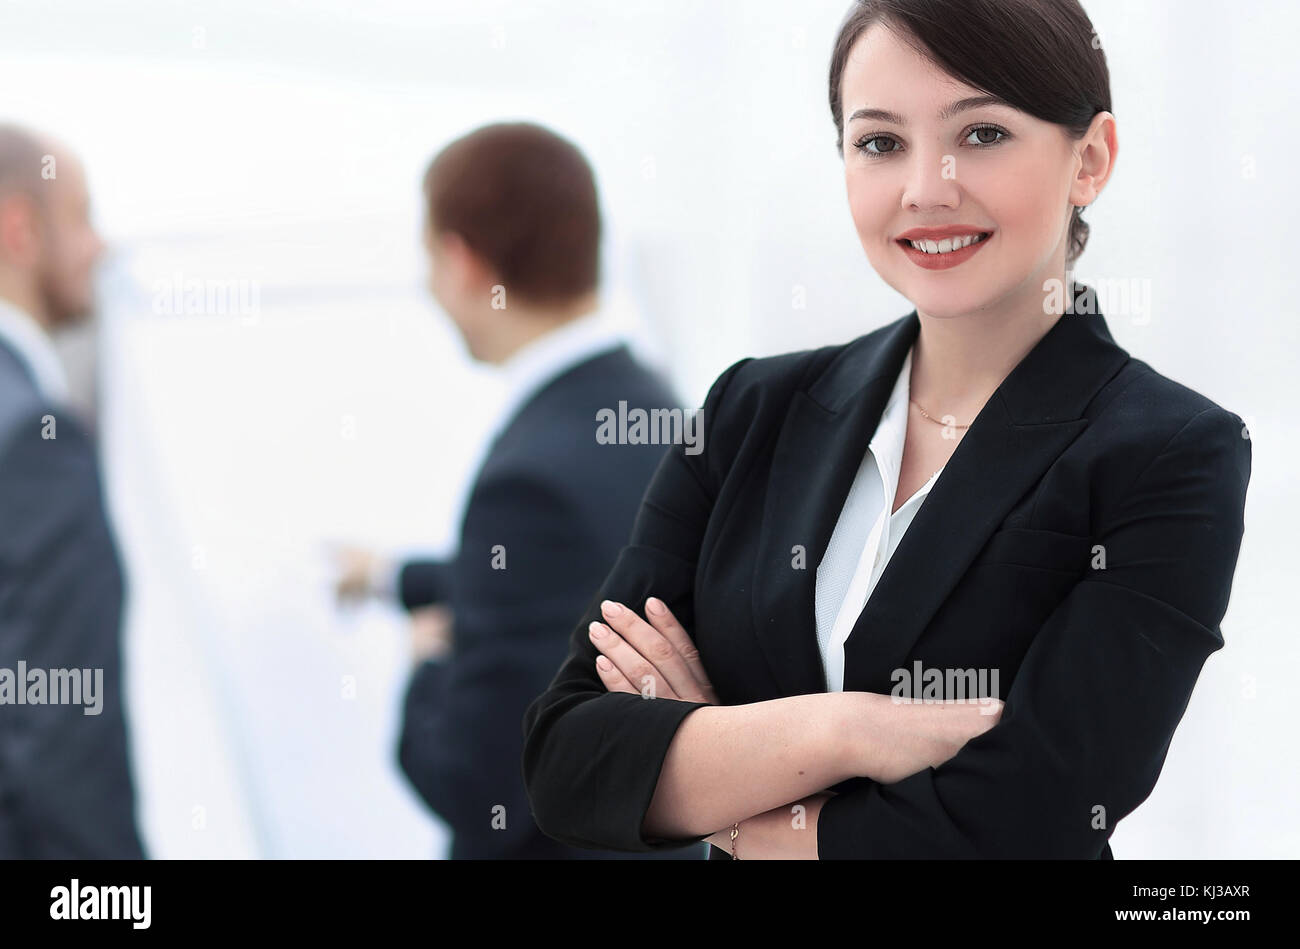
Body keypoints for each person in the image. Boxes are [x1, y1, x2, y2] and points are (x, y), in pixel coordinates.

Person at [522, 0, 1251, 859]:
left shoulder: (1170, 452)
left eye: (981, 134)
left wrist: (722, 776)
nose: (925, 188)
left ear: (1089, 159)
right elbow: (568, 759)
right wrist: (845, 732)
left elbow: (1029, 817)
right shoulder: (750, 411)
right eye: (880, 143)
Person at [341, 122, 705, 858]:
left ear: (462, 262)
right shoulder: (657, 408)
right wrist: (393, 576)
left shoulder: (528, 481)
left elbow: (479, 783)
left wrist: (425, 662)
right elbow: (588, 577)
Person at [0, 124, 146, 858]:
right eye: (83, 216)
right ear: (18, 229)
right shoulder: (32, 437)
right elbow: (61, 728)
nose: (100, 246)